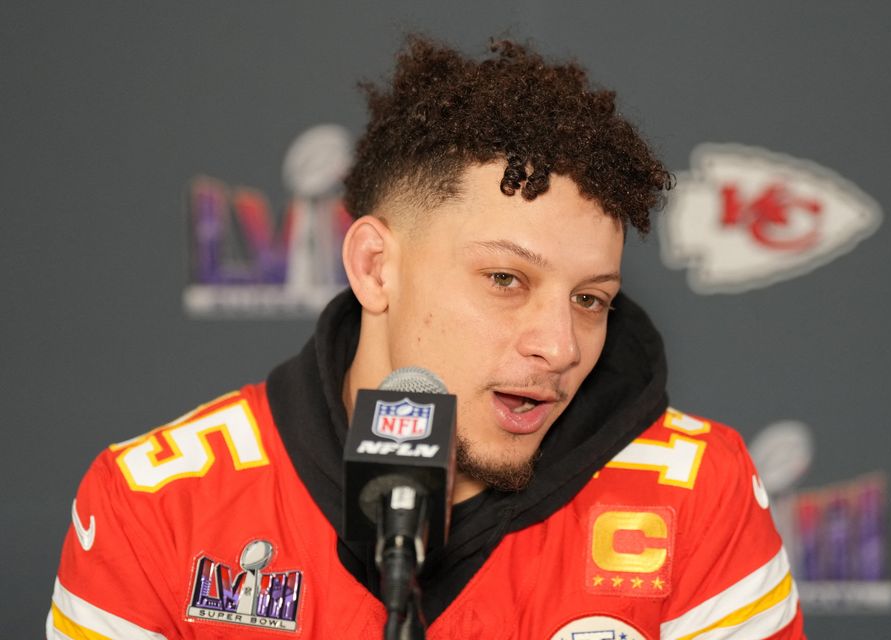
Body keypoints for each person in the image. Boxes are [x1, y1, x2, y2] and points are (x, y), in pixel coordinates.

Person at [48, 36, 804, 639]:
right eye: (505, 279)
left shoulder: (698, 494)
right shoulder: (157, 506)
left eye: (589, 299)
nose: (560, 347)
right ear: (375, 268)